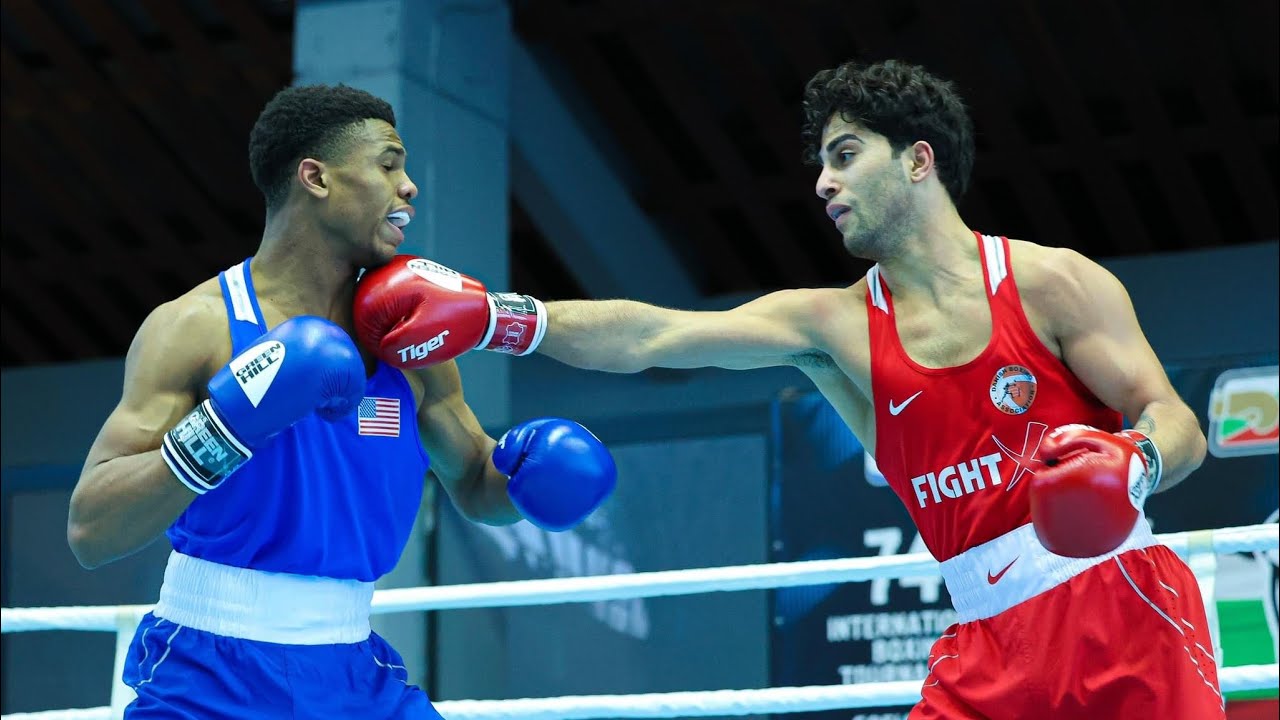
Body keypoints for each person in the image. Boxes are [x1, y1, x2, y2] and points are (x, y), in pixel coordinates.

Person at [355, 60, 1224, 718]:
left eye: (845, 157)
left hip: (1124, 608)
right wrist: (508, 318)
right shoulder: (833, 326)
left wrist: (1134, 462)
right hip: (987, 640)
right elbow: (657, 333)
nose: (822, 184)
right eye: (821, 165)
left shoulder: (1054, 284)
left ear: (918, 160)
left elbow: (1176, 419)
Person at [67, 83, 617, 719]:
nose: (409, 186)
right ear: (315, 178)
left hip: (355, 671)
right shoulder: (198, 326)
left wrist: (529, 481)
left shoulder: (412, 336)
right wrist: (226, 427)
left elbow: (473, 480)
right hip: (210, 672)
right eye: (388, 164)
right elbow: (91, 529)